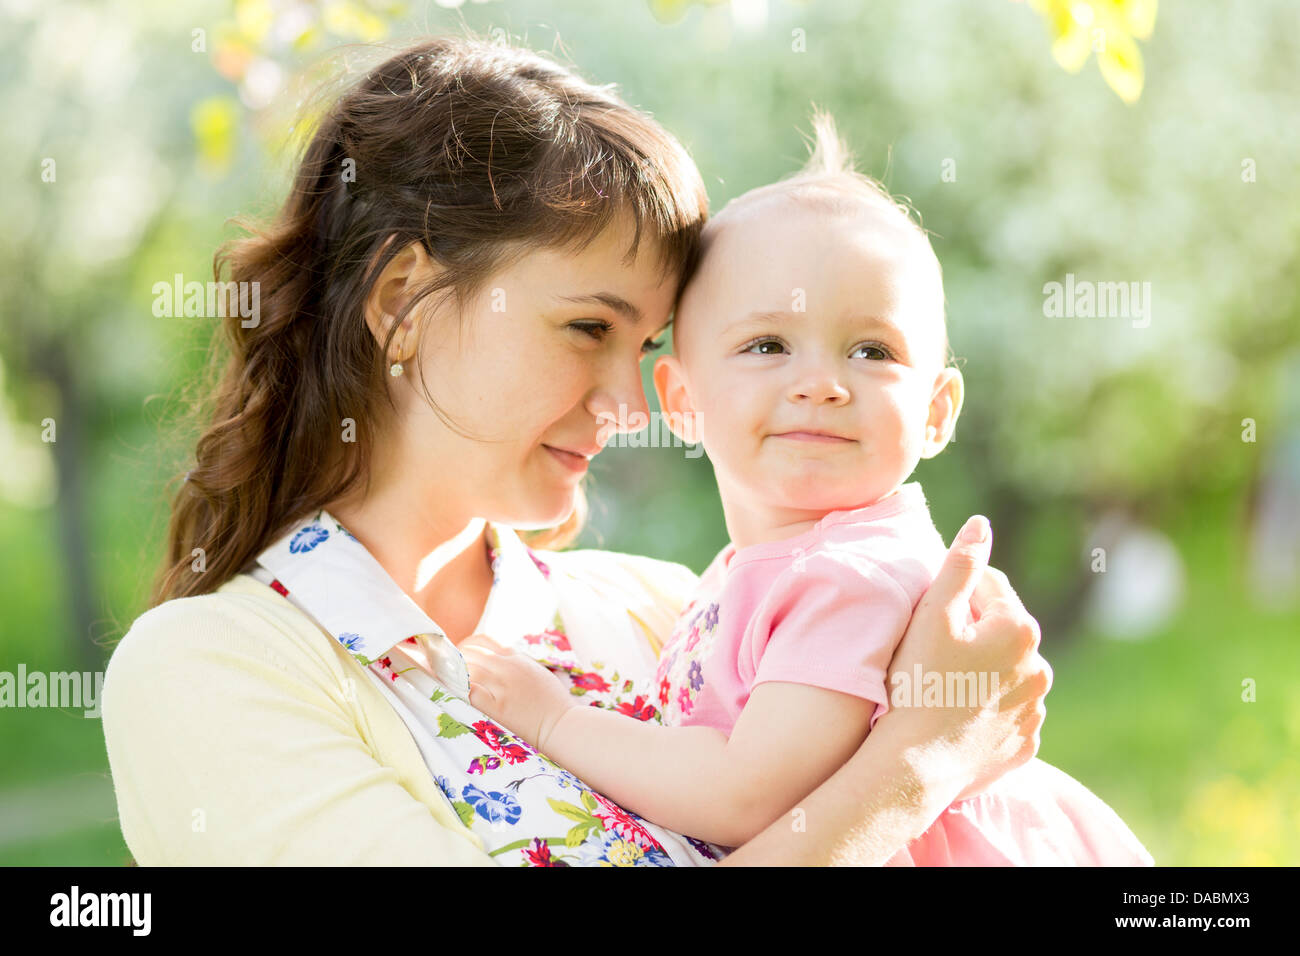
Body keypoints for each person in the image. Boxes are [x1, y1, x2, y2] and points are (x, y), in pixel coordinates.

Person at [101, 35, 1051, 866]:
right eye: (589, 328)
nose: (630, 405)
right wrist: (919, 763)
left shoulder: (669, 608)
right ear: (402, 301)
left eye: (645, 347)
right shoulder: (212, 671)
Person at [461, 113, 1153, 865]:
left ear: (935, 411)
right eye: (768, 345)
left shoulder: (852, 577)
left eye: (872, 351)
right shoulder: (757, 569)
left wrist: (557, 722)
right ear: (683, 399)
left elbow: (746, 794)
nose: (821, 383)